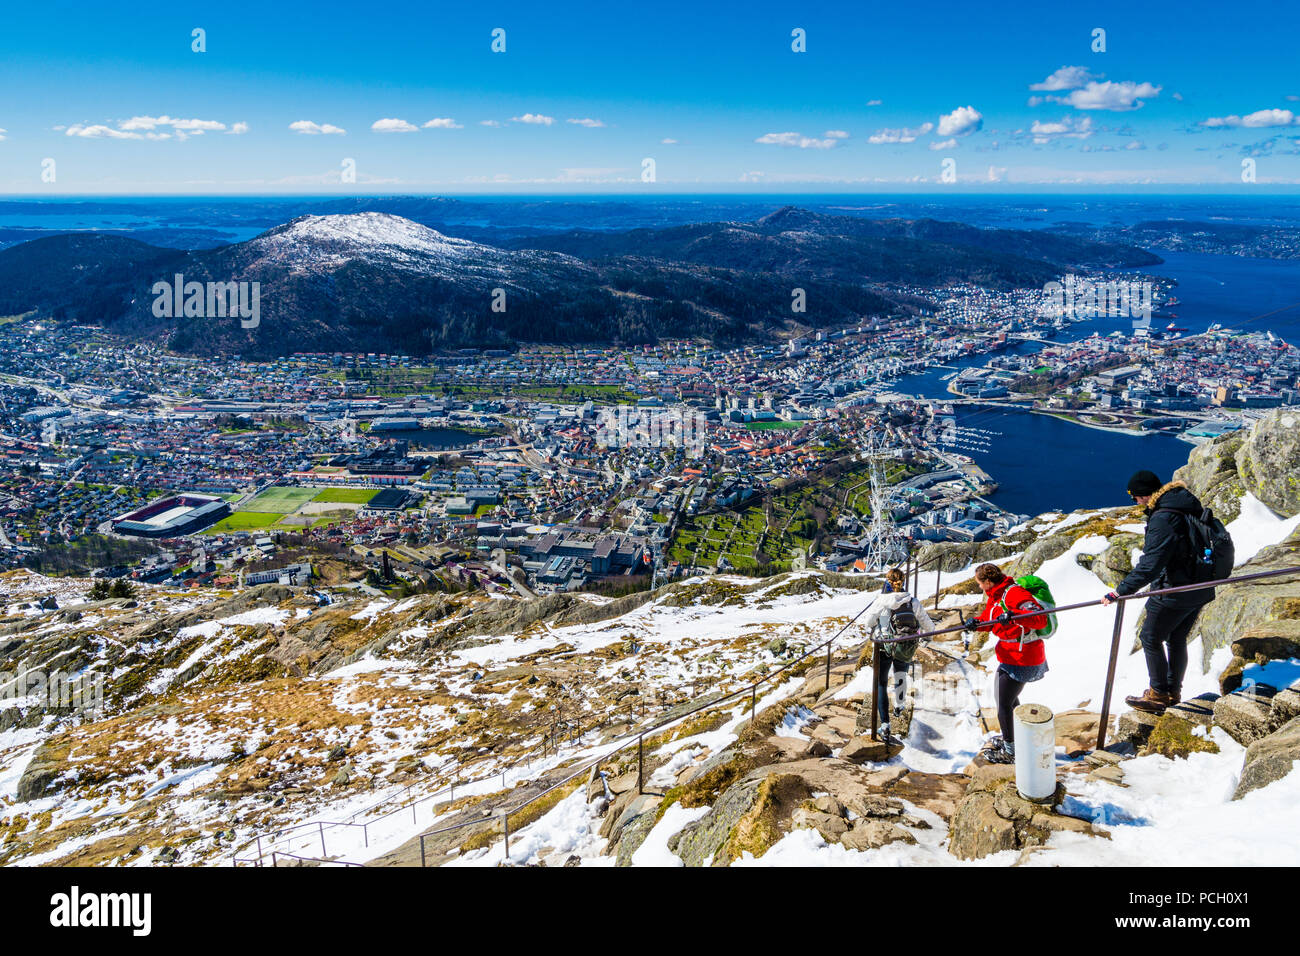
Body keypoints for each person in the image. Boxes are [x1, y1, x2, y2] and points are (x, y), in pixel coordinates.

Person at [1100, 470, 1216, 714]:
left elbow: (1151, 565)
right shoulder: (1185, 505)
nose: (1136, 503)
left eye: (1135, 498)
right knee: (1175, 639)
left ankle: (1159, 694)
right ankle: (1173, 691)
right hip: (1200, 585)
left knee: (1150, 638)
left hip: (1175, 589)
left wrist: (1120, 591)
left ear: (1144, 496)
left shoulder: (1164, 517)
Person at [963, 563, 1049, 764]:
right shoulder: (996, 595)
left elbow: (1040, 619)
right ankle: (1015, 740)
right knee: (1008, 701)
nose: (979, 588)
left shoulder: (1014, 594)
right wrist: (976, 623)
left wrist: (1014, 615)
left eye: (979, 583)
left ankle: (1011, 752)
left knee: (1003, 704)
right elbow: (990, 619)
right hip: (1012, 656)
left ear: (988, 581)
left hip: (1022, 658)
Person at [861, 567, 934, 742]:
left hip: (884, 645)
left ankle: (885, 724)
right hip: (905, 645)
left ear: (887, 581)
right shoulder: (912, 601)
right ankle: (900, 706)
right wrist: (926, 639)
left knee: (881, 682)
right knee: (901, 675)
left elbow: (868, 622)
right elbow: (928, 626)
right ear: (903, 582)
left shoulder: (881, 600)